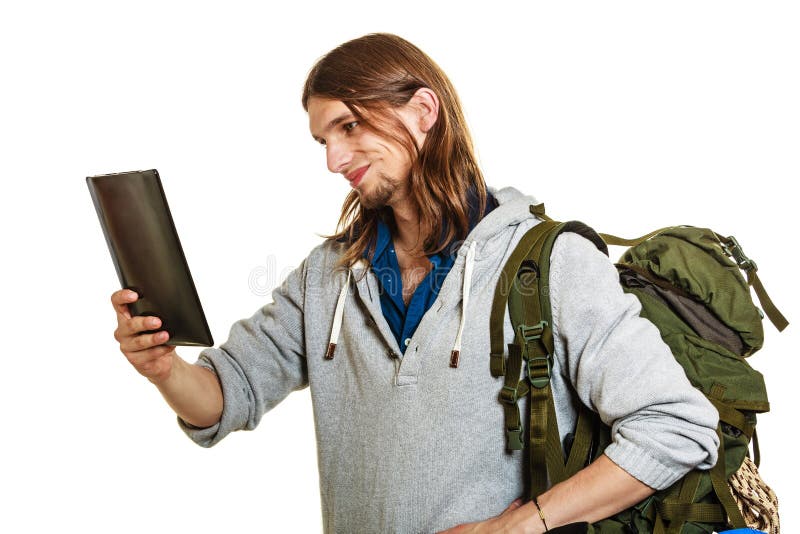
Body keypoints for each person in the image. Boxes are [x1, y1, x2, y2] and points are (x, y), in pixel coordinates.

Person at [109, 33, 720, 533]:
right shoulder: (328, 275)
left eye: (350, 126)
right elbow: (228, 392)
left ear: (424, 111)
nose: (333, 159)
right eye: (323, 140)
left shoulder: (552, 263)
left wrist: (520, 525)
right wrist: (165, 369)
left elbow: (676, 425)